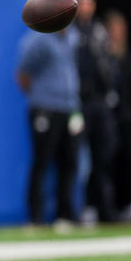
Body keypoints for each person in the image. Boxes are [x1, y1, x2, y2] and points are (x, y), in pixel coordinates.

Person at [17, 25, 82, 229]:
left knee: (69, 162)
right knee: (42, 161)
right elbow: (23, 74)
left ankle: (65, 215)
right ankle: (35, 217)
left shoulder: (74, 37)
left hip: (69, 107)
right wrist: (42, 98)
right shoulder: (39, 40)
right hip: (46, 107)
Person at [71, 0, 118, 224]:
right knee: (79, 162)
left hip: (99, 103)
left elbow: (108, 67)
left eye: (88, 1)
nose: (85, 6)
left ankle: (105, 210)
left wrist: (110, 91)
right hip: (78, 103)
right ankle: (81, 209)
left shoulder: (99, 32)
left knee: (103, 159)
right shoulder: (68, 32)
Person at [104, 10, 131, 223]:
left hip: (128, 119)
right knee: (107, 164)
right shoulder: (102, 56)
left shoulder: (130, 58)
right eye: (113, 29)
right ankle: (108, 207)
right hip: (108, 120)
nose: (117, 33)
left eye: (120, 29)